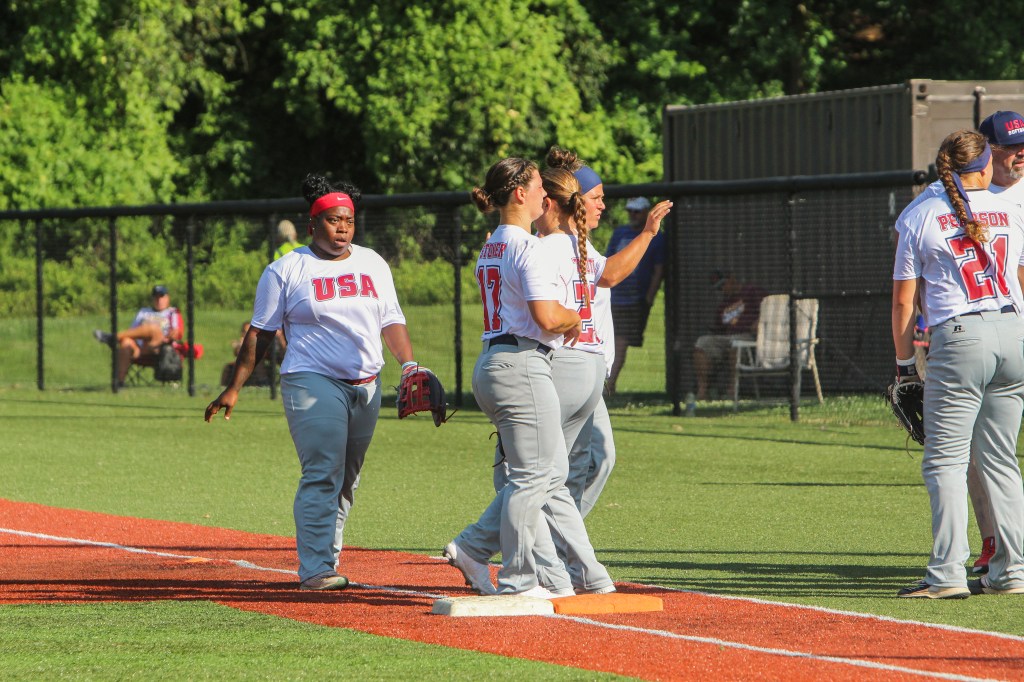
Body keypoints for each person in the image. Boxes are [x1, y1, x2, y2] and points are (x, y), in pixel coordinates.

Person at [205, 173, 419, 592]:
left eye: (349, 221)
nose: (342, 227)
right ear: (312, 225)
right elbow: (261, 332)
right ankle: (316, 568)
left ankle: (327, 560)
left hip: (367, 384)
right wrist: (235, 385)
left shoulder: (373, 263)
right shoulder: (286, 269)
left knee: (346, 480)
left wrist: (409, 365)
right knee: (323, 470)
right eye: (334, 220)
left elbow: (391, 320)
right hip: (311, 380)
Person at [443, 156, 601, 599]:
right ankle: (519, 580)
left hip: (497, 360)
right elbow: (547, 316)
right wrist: (574, 318)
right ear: (519, 193)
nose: (543, 196)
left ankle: (476, 549)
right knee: (533, 477)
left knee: (543, 473)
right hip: (521, 364)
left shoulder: (491, 244)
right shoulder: (527, 246)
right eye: (537, 188)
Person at [892, 129, 1024, 598]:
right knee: (1001, 459)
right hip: (1013, 330)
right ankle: (1012, 572)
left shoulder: (920, 214)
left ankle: (947, 573)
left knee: (946, 461)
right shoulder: (1010, 208)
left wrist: (906, 364)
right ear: (987, 166)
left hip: (960, 335)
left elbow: (905, 305)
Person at [533, 148, 672, 592]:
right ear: (571, 201)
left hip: (586, 369)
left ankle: (551, 544)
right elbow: (608, 278)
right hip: (562, 366)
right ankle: (538, 549)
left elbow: (607, 273)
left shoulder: (581, 244)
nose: (601, 204)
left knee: (586, 463)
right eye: (595, 197)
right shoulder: (552, 245)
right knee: (552, 470)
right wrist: (648, 232)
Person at [604, 197, 666, 395]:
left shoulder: (656, 237)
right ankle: (606, 383)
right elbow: (608, 260)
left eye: (637, 211)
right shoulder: (620, 232)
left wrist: (649, 298)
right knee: (609, 339)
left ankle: (609, 384)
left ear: (646, 212)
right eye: (630, 210)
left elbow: (659, 269)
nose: (632, 215)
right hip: (612, 295)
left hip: (633, 299)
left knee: (620, 340)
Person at [693, 272, 765, 401]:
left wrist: (759, 321)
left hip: (748, 337)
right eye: (718, 288)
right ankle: (703, 390)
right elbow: (718, 329)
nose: (722, 290)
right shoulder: (723, 306)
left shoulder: (751, 291)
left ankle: (732, 389)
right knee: (702, 343)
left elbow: (768, 307)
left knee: (735, 343)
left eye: (723, 285)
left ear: (731, 279)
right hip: (727, 337)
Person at [93, 284, 183, 386]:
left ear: (167, 298)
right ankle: (119, 383)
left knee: (152, 328)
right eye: (156, 297)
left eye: (161, 296)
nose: (159, 300)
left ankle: (113, 337)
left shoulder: (172, 312)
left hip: (159, 347)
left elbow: (177, 332)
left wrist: (170, 336)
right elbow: (133, 331)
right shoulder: (144, 312)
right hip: (141, 348)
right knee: (126, 342)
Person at [219, 322, 287, 387]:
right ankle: (225, 388)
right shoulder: (243, 340)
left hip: (269, 359)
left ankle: (264, 381)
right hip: (247, 364)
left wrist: (280, 338)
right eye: (246, 332)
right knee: (228, 367)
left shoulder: (263, 340)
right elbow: (237, 352)